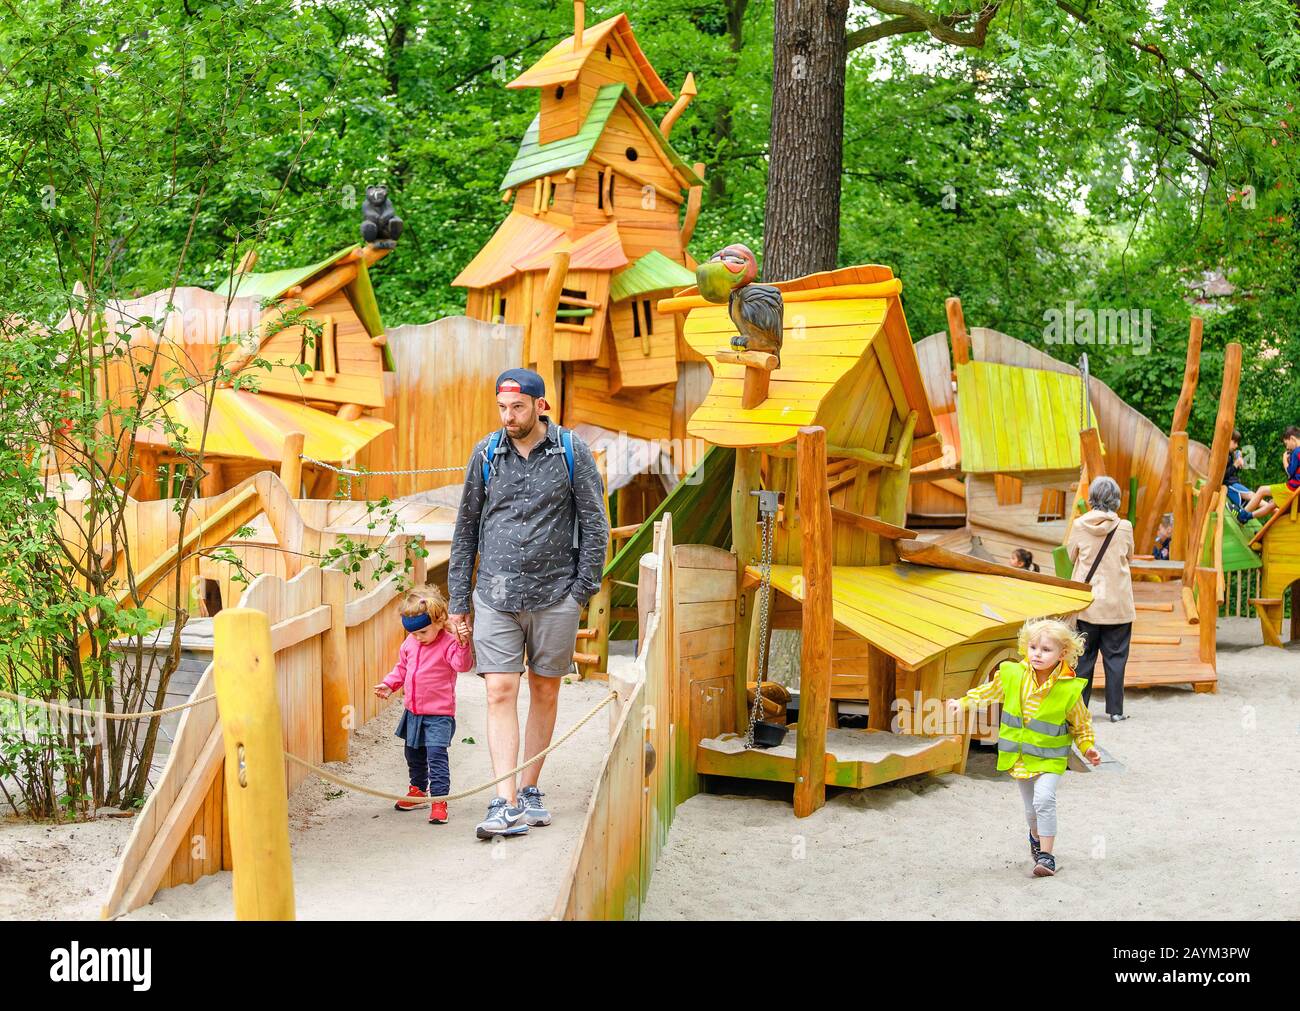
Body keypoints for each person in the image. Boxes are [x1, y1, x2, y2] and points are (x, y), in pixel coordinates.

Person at [447, 368, 610, 840]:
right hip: (496, 594)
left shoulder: (570, 451)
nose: (508, 416)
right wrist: (460, 600)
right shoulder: (486, 452)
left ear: (540, 405)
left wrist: (581, 590)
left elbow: (594, 523)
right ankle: (505, 800)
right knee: (499, 690)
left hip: (556, 593)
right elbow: (466, 529)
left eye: (517, 407)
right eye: (501, 407)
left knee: (545, 691)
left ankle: (531, 788)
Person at [948, 618, 1100, 877]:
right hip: (1020, 756)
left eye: (1046, 650)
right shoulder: (1012, 674)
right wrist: (962, 703)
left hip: (1051, 758)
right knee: (1031, 811)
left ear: (1062, 653)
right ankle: (1035, 837)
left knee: (1044, 800)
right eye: (1033, 648)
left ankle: (1047, 857)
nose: (1037, 654)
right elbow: (988, 692)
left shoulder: (1069, 688)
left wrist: (1087, 748)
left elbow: (1081, 723)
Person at [373, 586, 474, 825]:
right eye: (413, 633)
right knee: (413, 753)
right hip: (413, 711)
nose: (417, 637)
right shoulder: (410, 643)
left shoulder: (449, 643)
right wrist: (390, 685)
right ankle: (418, 791)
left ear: (439, 622)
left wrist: (462, 645)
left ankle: (439, 799)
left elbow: (462, 666)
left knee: (436, 754)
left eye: (423, 632)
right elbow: (402, 668)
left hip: (439, 714)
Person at [1066, 475, 1135, 722]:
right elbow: (1129, 555)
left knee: (1084, 658)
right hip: (1117, 604)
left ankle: (1081, 711)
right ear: (1116, 499)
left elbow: (1071, 555)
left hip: (1088, 603)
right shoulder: (1124, 527)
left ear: (1092, 497)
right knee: (1116, 658)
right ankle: (1115, 711)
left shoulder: (1079, 525)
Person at [1239, 426, 1300, 521]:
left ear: (1292, 438)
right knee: (1272, 504)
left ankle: (1242, 513)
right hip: (1296, 491)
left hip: (1292, 489)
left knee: (1261, 490)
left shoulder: (1297, 451)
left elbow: (1290, 473)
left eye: (1286, 444)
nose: (1287, 447)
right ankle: (1247, 517)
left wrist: (1284, 460)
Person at [1222, 429, 1254, 522]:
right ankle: (1275, 510)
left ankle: (1241, 513)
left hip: (1234, 483)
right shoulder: (1222, 455)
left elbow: (1232, 473)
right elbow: (1223, 476)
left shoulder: (1230, 454)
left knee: (1253, 498)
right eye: (1234, 442)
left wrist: (1238, 464)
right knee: (1254, 496)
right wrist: (1235, 465)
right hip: (1229, 485)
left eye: (1237, 443)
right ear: (1227, 439)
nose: (1236, 445)